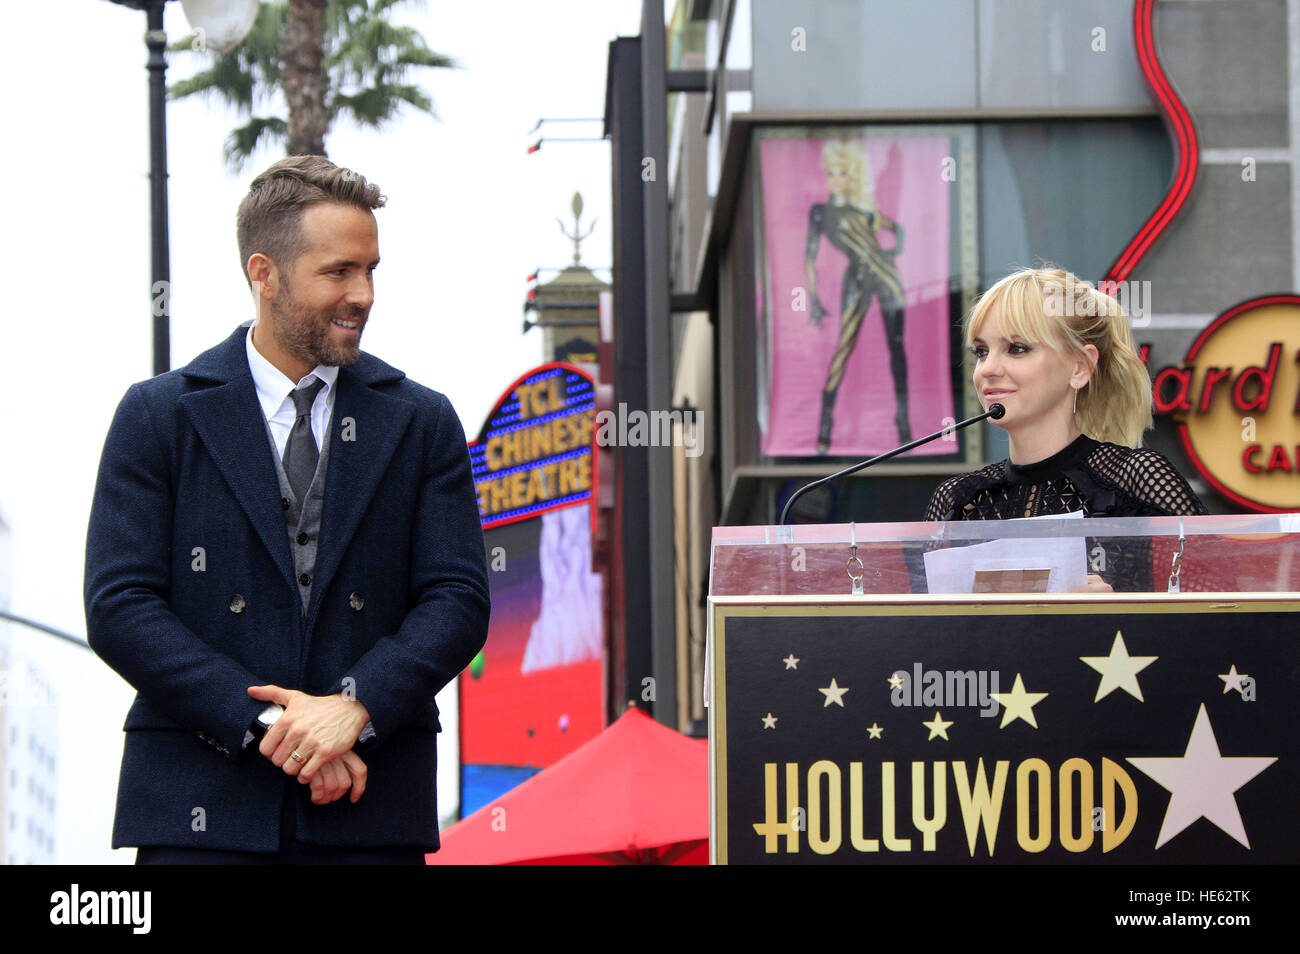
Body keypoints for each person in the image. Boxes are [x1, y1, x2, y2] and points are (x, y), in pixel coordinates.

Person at [84, 156, 491, 864]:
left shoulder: (422, 421)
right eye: (339, 271)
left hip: (368, 808)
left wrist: (355, 708)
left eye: (370, 270)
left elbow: (457, 598)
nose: (362, 294)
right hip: (198, 811)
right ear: (264, 274)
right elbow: (120, 606)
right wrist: (279, 725)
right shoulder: (159, 416)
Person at [924, 267, 1207, 589]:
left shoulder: (1136, 478)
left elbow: (1219, 614)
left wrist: (1123, 608)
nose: (987, 369)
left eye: (1017, 348)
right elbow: (926, 629)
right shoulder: (957, 500)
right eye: (981, 352)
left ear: (1079, 367)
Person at [805, 140, 910, 452]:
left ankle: (902, 421)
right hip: (856, 278)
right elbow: (809, 257)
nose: (835, 179)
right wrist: (812, 297)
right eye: (831, 173)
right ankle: (825, 425)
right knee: (843, 348)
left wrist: (891, 250)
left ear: (850, 176)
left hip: (886, 276)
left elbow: (898, 232)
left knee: (897, 347)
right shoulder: (820, 212)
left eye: (841, 173)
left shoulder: (864, 210)